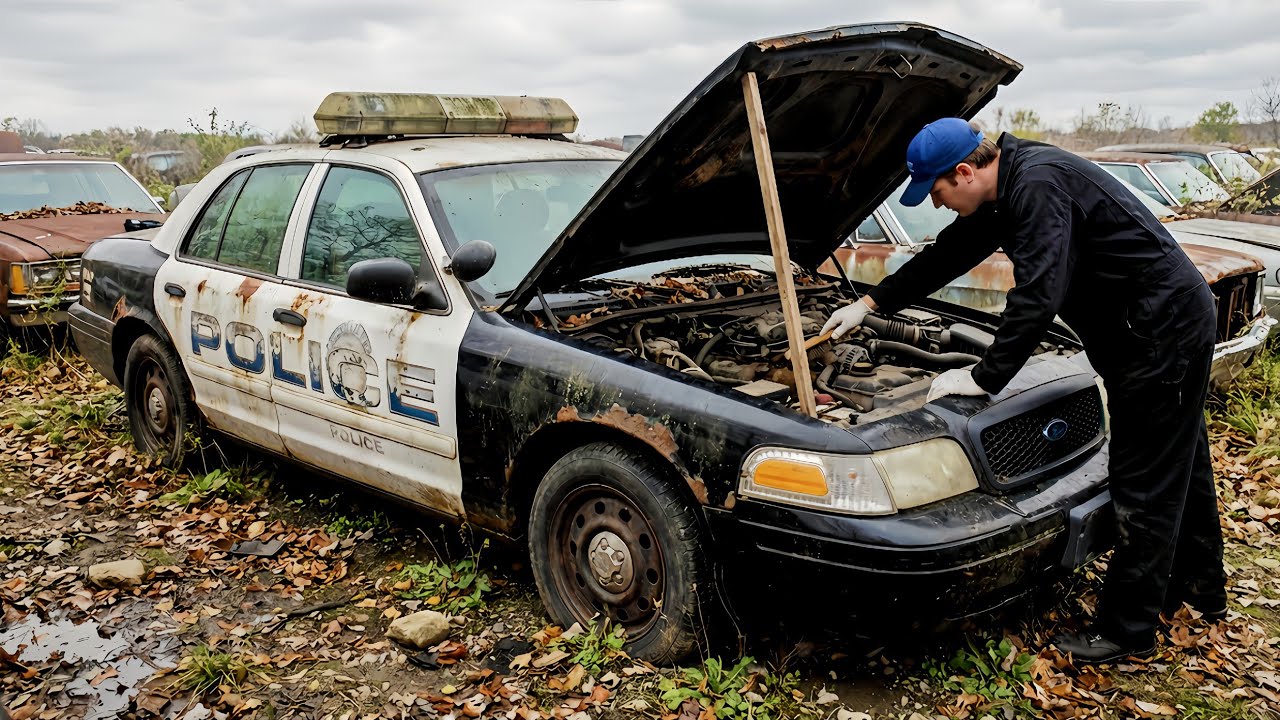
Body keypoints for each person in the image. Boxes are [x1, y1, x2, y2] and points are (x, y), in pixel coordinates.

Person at [821, 118, 1226, 664]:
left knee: (1144, 479)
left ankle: (1128, 629)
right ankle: (1201, 587)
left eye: (936, 192)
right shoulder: (1006, 183)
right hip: (1149, 325)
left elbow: (1038, 293)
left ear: (964, 172)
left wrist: (985, 376)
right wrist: (870, 305)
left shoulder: (1036, 186)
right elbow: (948, 254)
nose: (936, 204)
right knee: (1182, 456)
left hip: (1158, 333)